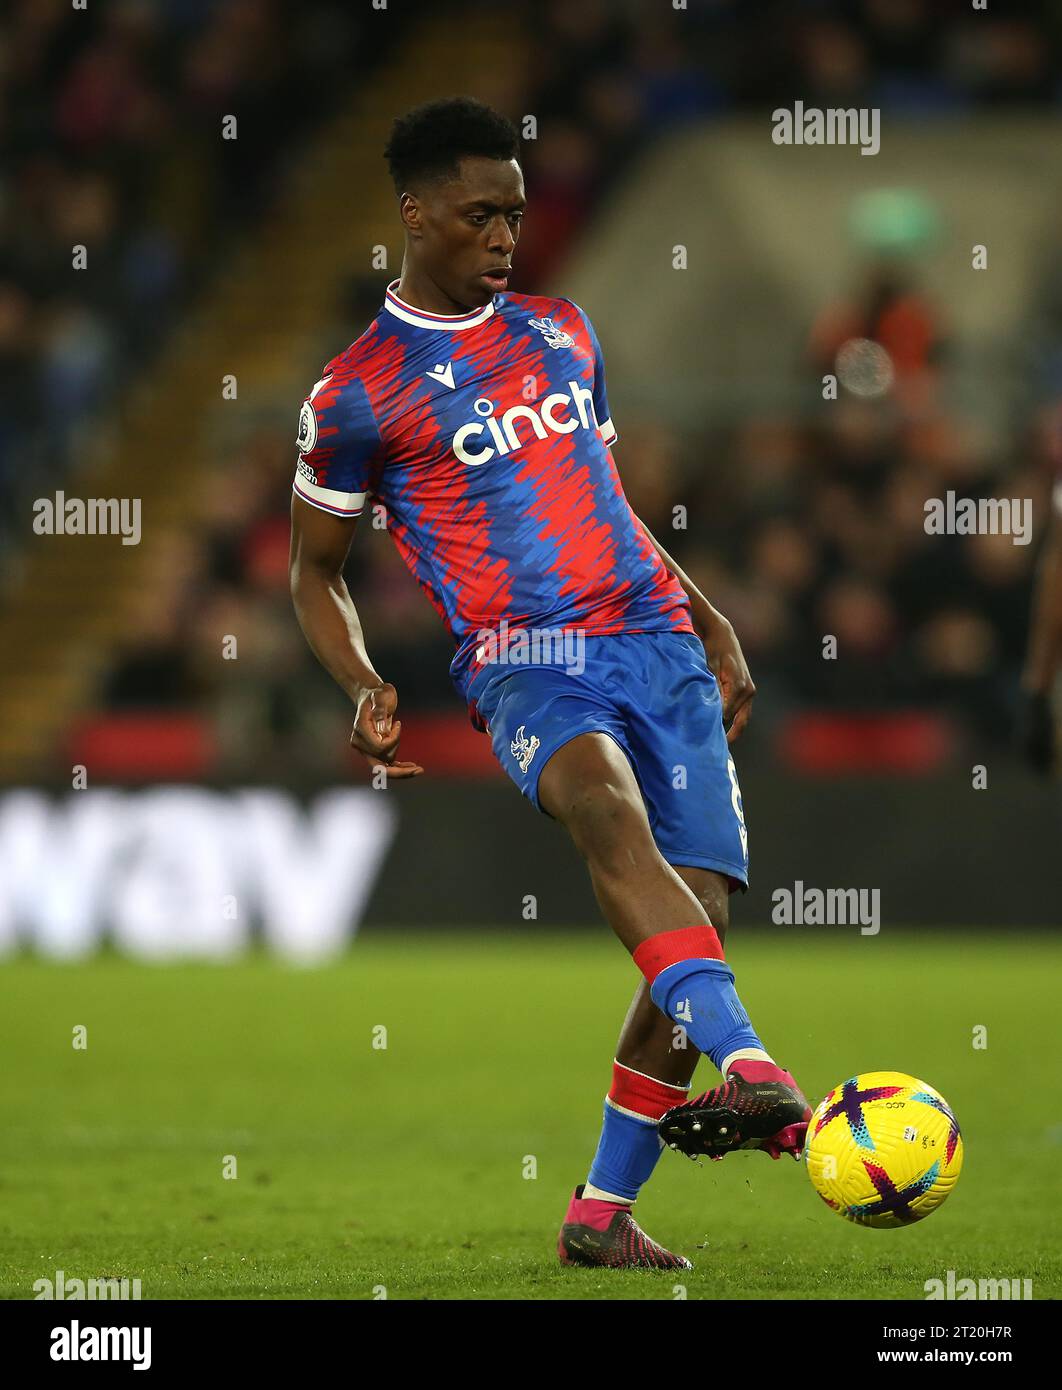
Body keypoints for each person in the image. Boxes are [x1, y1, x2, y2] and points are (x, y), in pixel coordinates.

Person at [288, 97, 810, 1271]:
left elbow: (604, 498)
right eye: (479, 216)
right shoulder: (357, 393)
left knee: (701, 922)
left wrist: (709, 611)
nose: (503, 237)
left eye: (515, 217)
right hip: (526, 660)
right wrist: (363, 678)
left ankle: (600, 1213)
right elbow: (314, 572)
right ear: (415, 214)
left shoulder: (564, 331)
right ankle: (760, 1070)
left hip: (657, 639)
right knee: (604, 807)